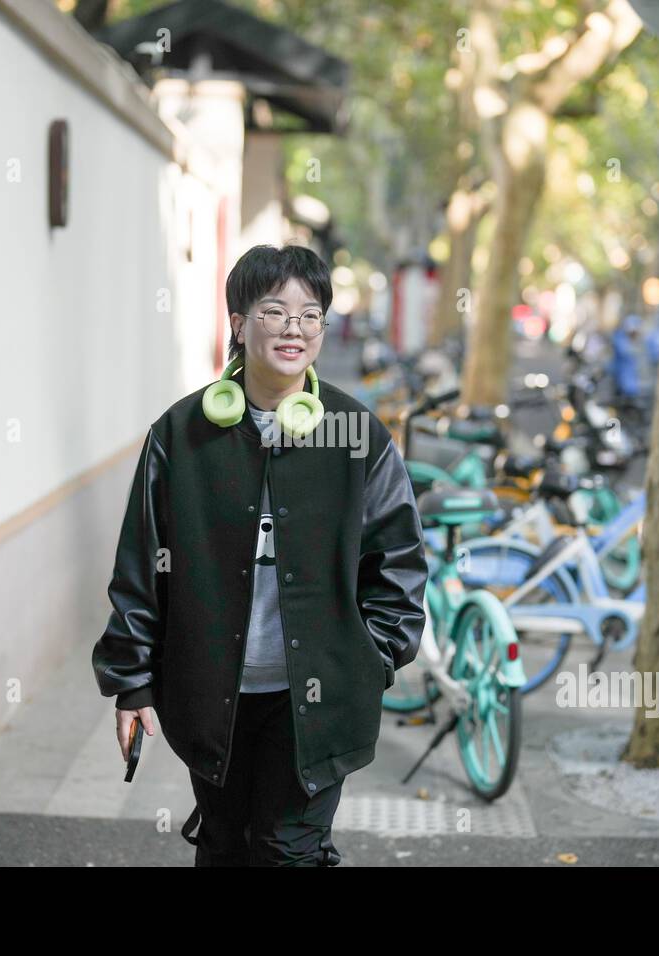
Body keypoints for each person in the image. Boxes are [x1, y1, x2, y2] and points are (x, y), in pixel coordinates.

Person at [92, 243, 429, 866]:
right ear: (240, 325)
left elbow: (399, 568)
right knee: (224, 844)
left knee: (286, 849)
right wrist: (131, 680)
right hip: (209, 691)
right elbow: (141, 564)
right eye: (275, 311)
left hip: (320, 701)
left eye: (310, 314)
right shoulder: (180, 433)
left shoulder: (357, 435)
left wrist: (368, 659)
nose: (294, 327)